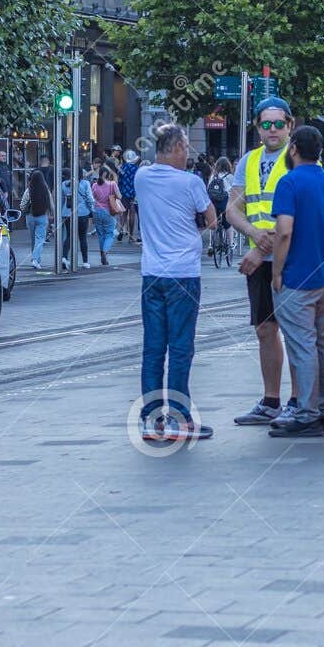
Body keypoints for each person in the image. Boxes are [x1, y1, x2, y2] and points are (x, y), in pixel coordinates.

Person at [268, 125, 324, 437]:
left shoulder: (288, 183)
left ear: (293, 149)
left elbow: (285, 231)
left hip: (297, 279)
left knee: (302, 345)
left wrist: (277, 272)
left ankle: (306, 413)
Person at [134, 123, 216, 441]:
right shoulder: (191, 182)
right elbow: (211, 218)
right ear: (179, 148)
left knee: (153, 348)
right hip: (183, 274)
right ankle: (179, 419)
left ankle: (150, 420)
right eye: (186, 149)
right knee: (180, 349)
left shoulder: (142, 178)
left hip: (152, 274)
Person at [227, 97, 297, 427]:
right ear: (257, 128)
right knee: (265, 329)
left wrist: (261, 244)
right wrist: (255, 234)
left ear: (290, 126)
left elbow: (298, 211)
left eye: (278, 124)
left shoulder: (297, 159)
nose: (272, 130)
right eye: (265, 124)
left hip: (290, 255)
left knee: (297, 331)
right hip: (260, 258)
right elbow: (232, 209)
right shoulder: (249, 161)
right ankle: (271, 401)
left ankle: (299, 401)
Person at [60, 169, 93, 269]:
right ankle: (85, 261)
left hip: (67, 212)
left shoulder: (64, 184)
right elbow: (89, 198)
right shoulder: (85, 183)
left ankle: (64, 257)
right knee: (82, 237)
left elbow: (61, 199)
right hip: (82, 213)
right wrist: (91, 209)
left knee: (69, 235)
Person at [90, 165, 121, 266]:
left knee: (101, 234)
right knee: (109, 234)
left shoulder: (94, 185)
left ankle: (102, 255)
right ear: (108, 175)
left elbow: (92, 198)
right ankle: (105, 252)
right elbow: (120, 196)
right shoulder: (112, 184)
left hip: (97, 211)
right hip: (109, 211)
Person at [26, 153, 52, 269]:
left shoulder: (29, 189)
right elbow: (50, 202)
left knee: (34, 239)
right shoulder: (45, 189)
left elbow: (23, 204)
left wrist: (24, 212)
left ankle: (36, 259)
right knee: (40, 239)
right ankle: (36, 259)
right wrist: (52, 213)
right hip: (42, 216)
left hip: (30, 216)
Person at [118, 148, 141, 244]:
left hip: (124, 193)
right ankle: (131, 235)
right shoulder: (137, 169)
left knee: (123, 213)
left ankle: (121, 230)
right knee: (132, 215)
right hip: (133, 194)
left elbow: (119, 181)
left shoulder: (122, 168)